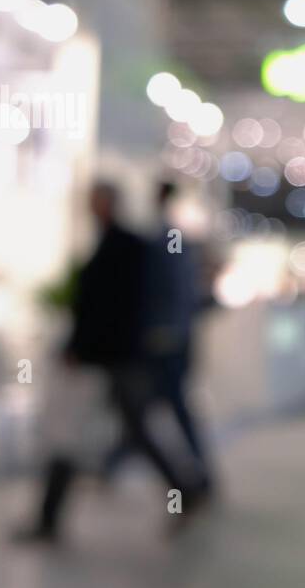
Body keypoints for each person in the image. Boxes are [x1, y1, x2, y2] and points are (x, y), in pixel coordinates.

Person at [16, 182, 201, 543]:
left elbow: (110, 310)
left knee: (81, 432)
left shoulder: (126, 246)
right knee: (96, 432)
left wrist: (80, 347)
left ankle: (50, 519)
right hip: (113, 358)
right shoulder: (125, 244)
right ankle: (50, 517)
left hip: (112, 359)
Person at [102, 181, 213, 492]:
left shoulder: (167, 238)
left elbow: (175, 290)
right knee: (143, 410)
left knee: (159, 409)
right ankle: (195, 476)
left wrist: (166, 331)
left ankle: (198, 478)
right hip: (169, 338)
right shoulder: (169, 237)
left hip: (165, 342)